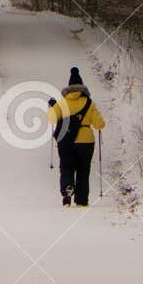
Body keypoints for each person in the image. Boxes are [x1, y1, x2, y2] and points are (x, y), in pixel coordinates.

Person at [49, 67, 104, 206]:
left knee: (66, 166)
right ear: (82, 88)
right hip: (86, 142)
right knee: (83, 170)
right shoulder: (89, 103)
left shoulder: (62, 103)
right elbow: (99, 124)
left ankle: (67, 187)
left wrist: (52, 106)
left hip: (66, 141)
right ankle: (81, 199)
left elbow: (51, 119)